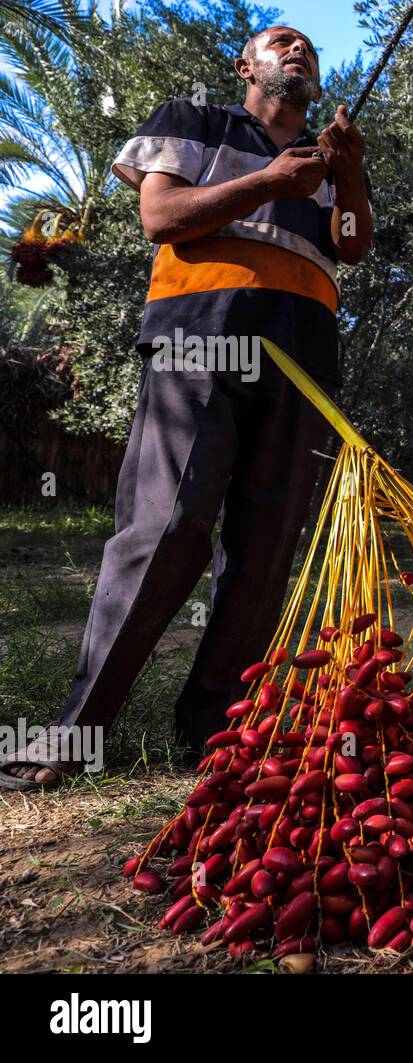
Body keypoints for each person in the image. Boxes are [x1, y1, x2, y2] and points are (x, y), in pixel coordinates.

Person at [0, 25, 373, 790]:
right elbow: (162, 219)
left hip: (305, 357)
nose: (300, 50)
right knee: (169, 525)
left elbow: (354, 244)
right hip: (200, 335)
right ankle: (74, 734)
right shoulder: (196, 121)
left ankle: (213, 730)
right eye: (282, 41)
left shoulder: (328, 162)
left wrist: (353, 175)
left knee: (267, 548)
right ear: (246, 66)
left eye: (310, 46)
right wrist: (271, 182)